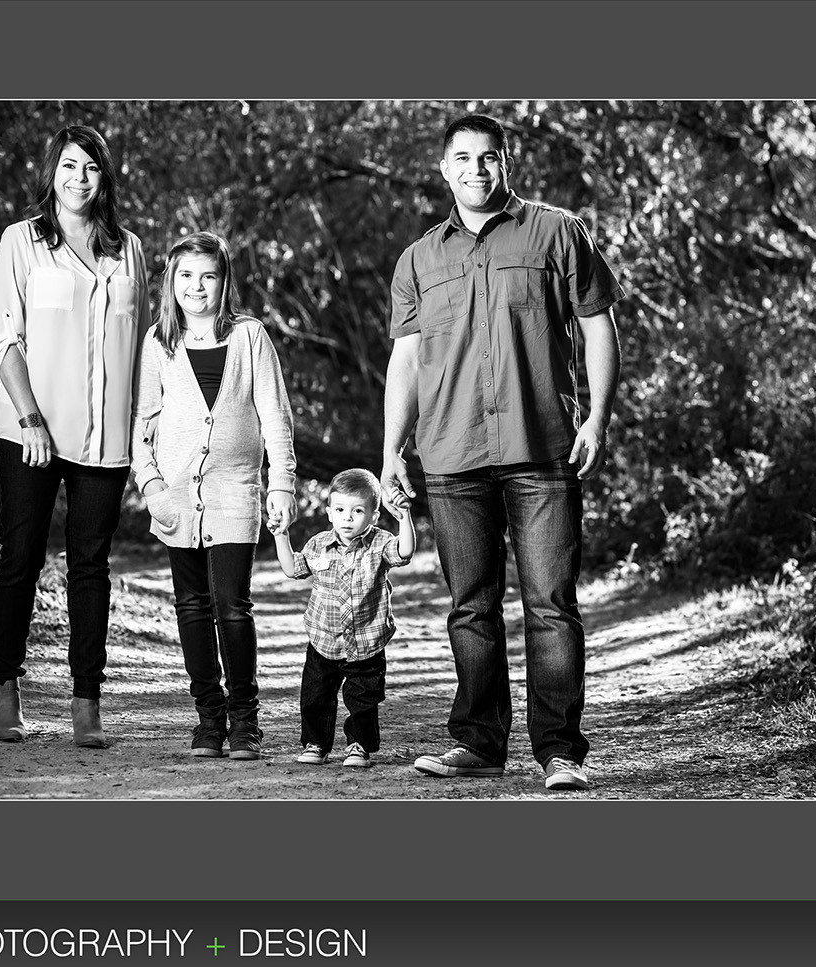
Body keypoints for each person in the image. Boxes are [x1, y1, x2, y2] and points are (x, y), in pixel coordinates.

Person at [382, 113, 626, 791]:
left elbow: (599, 326)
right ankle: (479, 744)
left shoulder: (558, 232)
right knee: (470, 606)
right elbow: (405, 365)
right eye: (463, 159)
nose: (476, 170)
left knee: (550, 604)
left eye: (489, 158)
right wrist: (389, 452)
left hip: (542, 447)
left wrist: (597, 420)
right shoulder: (419, 259)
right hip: (450, 455)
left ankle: (559, 752)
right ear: (444, 169)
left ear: (505, 162)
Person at [0, 125, 147, 747]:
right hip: (30, 431)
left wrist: (144, 434)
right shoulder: (20, 243)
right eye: (69, 166)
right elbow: (5, 341)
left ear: (105, 178)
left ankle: (87, 703)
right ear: (51, 172)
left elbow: (138, 351)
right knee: (21, 560)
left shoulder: (126, 249)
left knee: (91, 568)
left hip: (103, 438)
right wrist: (30, 419)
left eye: (91, 169)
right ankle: (6, 691)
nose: (79, 178)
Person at [131, 232, 297, 760]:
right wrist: (152, 486)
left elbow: (275, 416)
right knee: (191, 607)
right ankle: (209, 718)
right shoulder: (158, 341)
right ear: (171, 282)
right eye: (185, 276)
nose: (196, 286)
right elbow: (143, 424)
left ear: (224, 282)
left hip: (234, 492)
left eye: (208, 276)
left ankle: (245, 720)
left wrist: (283, 484)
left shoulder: (249, 337)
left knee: (232, 605)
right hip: (177, 496)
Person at [271, 468, 415, 769]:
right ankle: (316, 743)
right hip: (324, 639)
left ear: (374, 515)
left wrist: (404, 518)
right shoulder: (318, 544)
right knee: (315, 697)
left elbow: (404, 552)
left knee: (363, 700)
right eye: (340, 510)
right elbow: (292, 568)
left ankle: (358, 745)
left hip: (365, 642)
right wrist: (281, 535)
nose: (347, 518)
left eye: (358, 511)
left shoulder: (380, 543)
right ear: (329, 512)